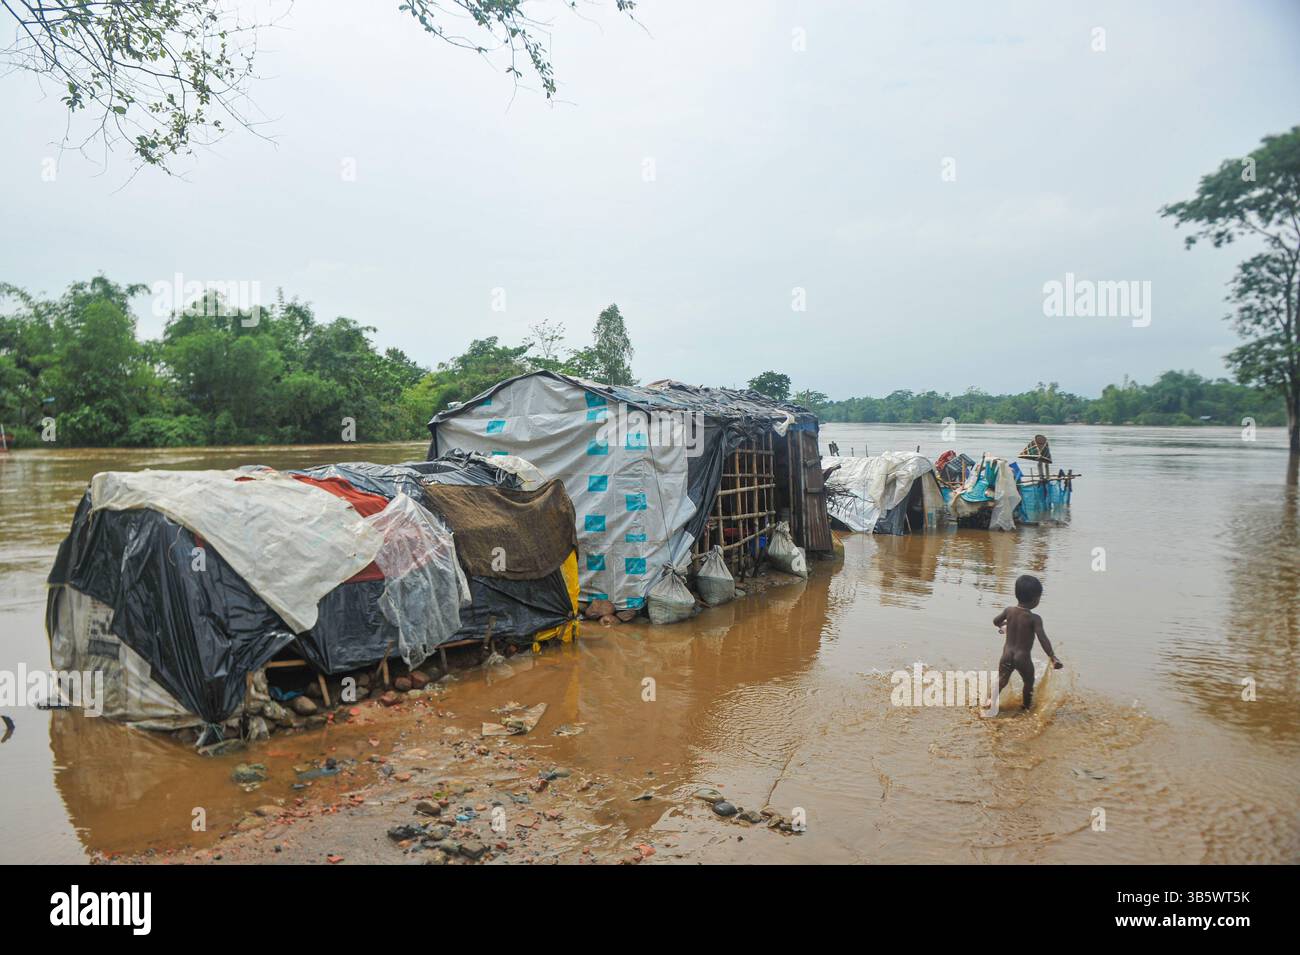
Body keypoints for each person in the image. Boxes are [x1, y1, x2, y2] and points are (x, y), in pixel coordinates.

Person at [992, 575, 1062, 709]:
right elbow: (1043, 639)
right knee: (1029, 682)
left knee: (1001, 680)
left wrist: (1004, 625)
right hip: (1022, 658)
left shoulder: (1009, 611)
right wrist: (1052, 657)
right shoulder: (1035, 619)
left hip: (1006, 655)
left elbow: (996, 622)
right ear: (1036, 599)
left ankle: (990, 701)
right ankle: (1026, 707)